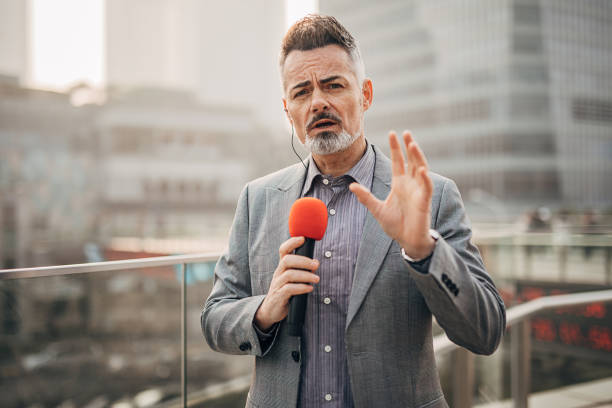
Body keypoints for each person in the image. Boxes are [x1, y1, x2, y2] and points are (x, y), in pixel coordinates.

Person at [201, 14, 506, 408]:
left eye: (334, 85)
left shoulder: (432, 197)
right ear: (287, 110)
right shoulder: (257, 199)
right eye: (301, 92)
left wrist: (424, 250)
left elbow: (486, 332)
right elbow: (214, 318)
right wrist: (264, 309)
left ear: (365, 95)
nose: (318, 102)